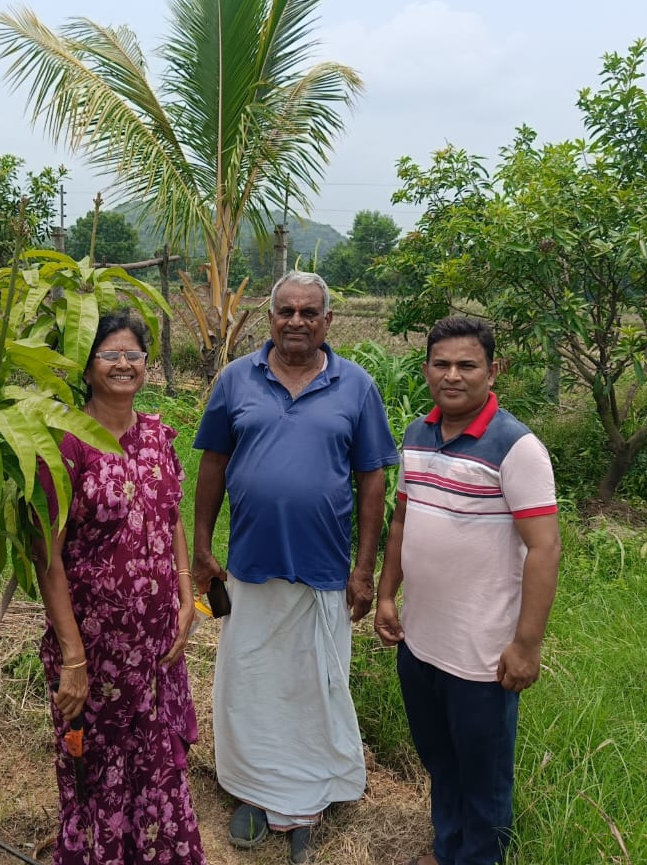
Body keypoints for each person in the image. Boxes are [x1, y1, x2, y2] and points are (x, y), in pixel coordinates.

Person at [192, 270, 398, 864]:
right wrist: (201, 547)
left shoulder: (355, 386)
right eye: (286, 311)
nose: (297, 321)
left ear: (328, 320)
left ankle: (306, 801)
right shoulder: (237, 379)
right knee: (251, 682)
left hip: (325, 568)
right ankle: (253, 792)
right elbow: (213, 464)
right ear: (271, 318)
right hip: (250, 566)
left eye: (310, 312)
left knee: (314, 685)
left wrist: (364, 568)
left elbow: (373, 480)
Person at [373, 316, 562, 865]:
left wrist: (526, 645)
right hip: (420, 641)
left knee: (483, 778)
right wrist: (386, 595)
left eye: (467, 365)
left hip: (482, 656)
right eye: (441, 364)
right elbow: (402, 520)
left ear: (492, 370)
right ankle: (446, 849)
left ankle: (477, 856)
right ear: (426, 368)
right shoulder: (416, 435)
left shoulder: (516, 447)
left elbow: (545, 549)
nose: (452, 375)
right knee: (441, 762)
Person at [33, 310, 206, 865]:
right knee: (99, 769)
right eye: (110, 354)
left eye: (133, 354)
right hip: (97, 651)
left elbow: (172, 517)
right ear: (86, 368)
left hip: (157, 646)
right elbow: (47, 557)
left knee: (155, 766)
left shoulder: (157, 435)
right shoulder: (64, 444)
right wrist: (73, 656)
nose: (123, 363)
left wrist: (186, 597)